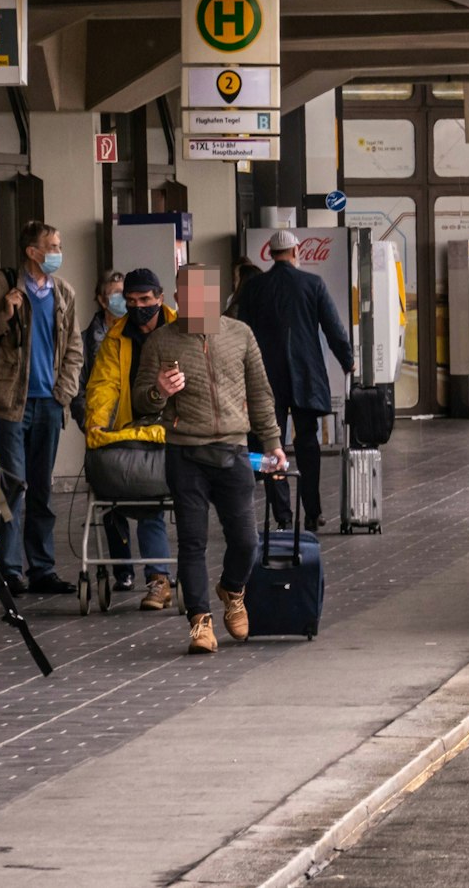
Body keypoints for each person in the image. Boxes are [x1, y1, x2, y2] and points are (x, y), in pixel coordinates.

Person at [133, 264, 285, 655]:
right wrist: (159, 391)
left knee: (246, 541)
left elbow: (260, 393)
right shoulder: (161, 342)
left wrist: (273, 442)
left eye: (206, 295)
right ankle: (200, 622)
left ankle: (232, 590)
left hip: (233, 448)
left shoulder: (240, 334)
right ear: (179, 298)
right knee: (192, 541)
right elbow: (141, 402)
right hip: (185, 452)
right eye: (190, 296)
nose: (199, 302)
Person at [0, 221, 84, 595]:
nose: (58, 252)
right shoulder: (1, 285)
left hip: (50, 404)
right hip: (9, 404)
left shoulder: (63, 292)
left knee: (42, 488)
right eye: (52, 246)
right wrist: (4, 316)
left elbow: (74, 348)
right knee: (13, 487)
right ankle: (10, 569)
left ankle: (43, 567)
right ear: (33, 252)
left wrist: (64, 392)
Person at [233, 231, 352, 531]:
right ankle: (312, 512)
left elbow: (240, 334)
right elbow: (334, 330)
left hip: (265, 378)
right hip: (305, 375)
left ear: (270, 254)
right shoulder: (313, 284)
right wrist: (348, 362)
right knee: (308, 442)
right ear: (296, 251)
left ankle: (283, 516)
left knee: (270, 444)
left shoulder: (254, 287)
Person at [83, 268, 175, 608]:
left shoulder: (179, 330)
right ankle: (138, 575)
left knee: (150, 502)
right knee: (120, 496)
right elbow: (104, 384)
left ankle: (158, 579)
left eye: (145, 299)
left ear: (160, 298)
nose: (138, 307)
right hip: (130, 428)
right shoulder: (116, 337)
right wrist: (96, 425)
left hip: (168, 432)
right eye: (131, 300)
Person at [73, 271, 125, 429]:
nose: (123, 299)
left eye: (124, 293)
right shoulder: (84, 342)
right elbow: (77, 390)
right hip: (100, 428)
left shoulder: (136, 335)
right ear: (102, 300)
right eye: (117, 293)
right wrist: (92, 423)